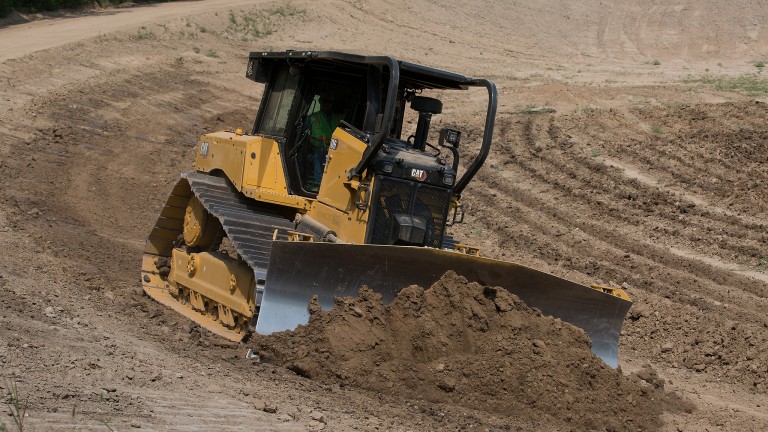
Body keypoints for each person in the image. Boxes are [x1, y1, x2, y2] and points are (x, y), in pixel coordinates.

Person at [307, 91, 342, 191]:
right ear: (320, 102)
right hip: (318, 148)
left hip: (335, 149)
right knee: (319, 154)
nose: (327, 104)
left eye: (330, 102)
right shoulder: (313, 117)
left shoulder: (338, 118)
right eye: (325, 101)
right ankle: (317, 184)